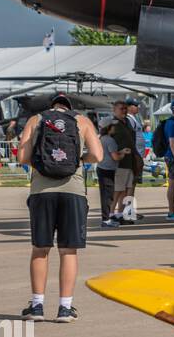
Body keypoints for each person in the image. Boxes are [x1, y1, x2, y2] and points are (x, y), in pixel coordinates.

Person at [17, 93, 101, 322]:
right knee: (68, 251)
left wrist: (43, 161)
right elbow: (98, 155)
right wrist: (77, 159)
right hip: (72, 191)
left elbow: (22, 156)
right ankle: (65, 308)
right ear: (69, 107)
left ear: (52, 106)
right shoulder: (82, 121)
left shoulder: (36, 120)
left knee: (40, 249)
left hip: (42, 192)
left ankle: (36, 306)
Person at [106, 100, 138, 224]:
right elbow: (106, 140)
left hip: (129, 162)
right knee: (117, 190)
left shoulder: (128, 122)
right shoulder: (112, 124)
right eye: (121, 108)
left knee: (127, 189)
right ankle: (110, 215)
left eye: (125, 108)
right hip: (118, 162)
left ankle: (121, 214)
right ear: (114, 110)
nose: (124, 110)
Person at [94, 121, 125, 227]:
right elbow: (115, 157)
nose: (115, 128)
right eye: (113, 126)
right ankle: (106, 219)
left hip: (101, 168)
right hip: (108, 170)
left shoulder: (101, 138)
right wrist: (123, 154)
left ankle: (105, 218)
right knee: (108, 196)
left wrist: (120, 152)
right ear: (109, 128)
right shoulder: (110, 140)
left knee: (105, 195)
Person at [123, 97, 146, 219]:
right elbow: (130, 139)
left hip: (137, 156)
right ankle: (128, 212)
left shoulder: (133, 119)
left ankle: (129, 210)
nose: (137, 107)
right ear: (129, 107)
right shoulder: (129, 120)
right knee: (130, 185)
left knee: (132, 185)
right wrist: (135, 155)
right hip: (134, 157)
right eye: (135, 105)